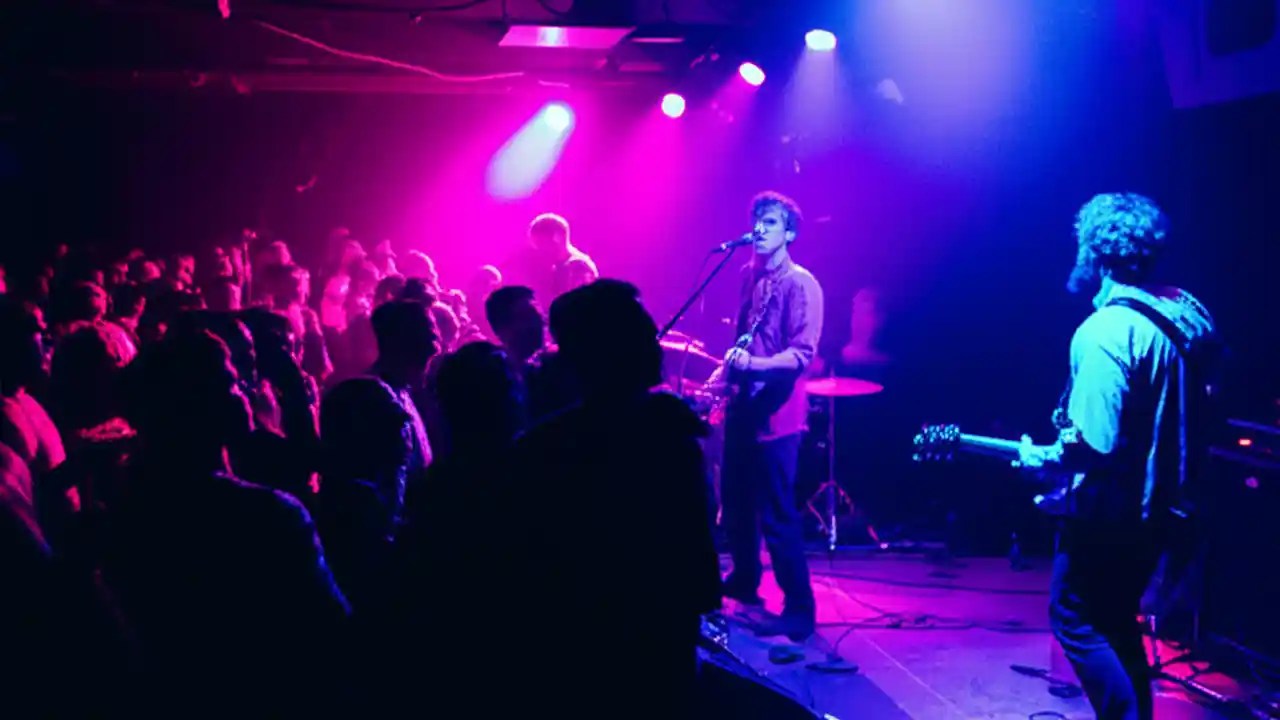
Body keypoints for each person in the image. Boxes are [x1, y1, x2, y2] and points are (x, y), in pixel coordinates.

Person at [1015, 193, 1219, 720]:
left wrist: (1045, 459)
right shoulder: (1183, 311)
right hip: (1165, 513)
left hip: (1111, 517)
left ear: (1096, 252)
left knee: (1076, 618)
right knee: (1116, 621)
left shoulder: (1105, 331)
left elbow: (1092, 446)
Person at [714, 191, 823, 642]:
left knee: (777, 513)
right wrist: (727, 372)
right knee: (736, 503)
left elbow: (802, 354)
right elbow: (746, 337)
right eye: (757, 220)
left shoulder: (802, 284)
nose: (759, 229)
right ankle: (745, 578)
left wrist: (755, 367)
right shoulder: (748, 276)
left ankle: (799, 607)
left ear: (790, 233)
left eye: (771, 223)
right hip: (744, 408)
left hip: (777, 418)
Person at [517, 213, 598, 303]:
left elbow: (581, 306)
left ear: (558, 237)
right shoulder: (556, 267)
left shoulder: (578, 267)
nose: (539, 249)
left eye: (541, 243)